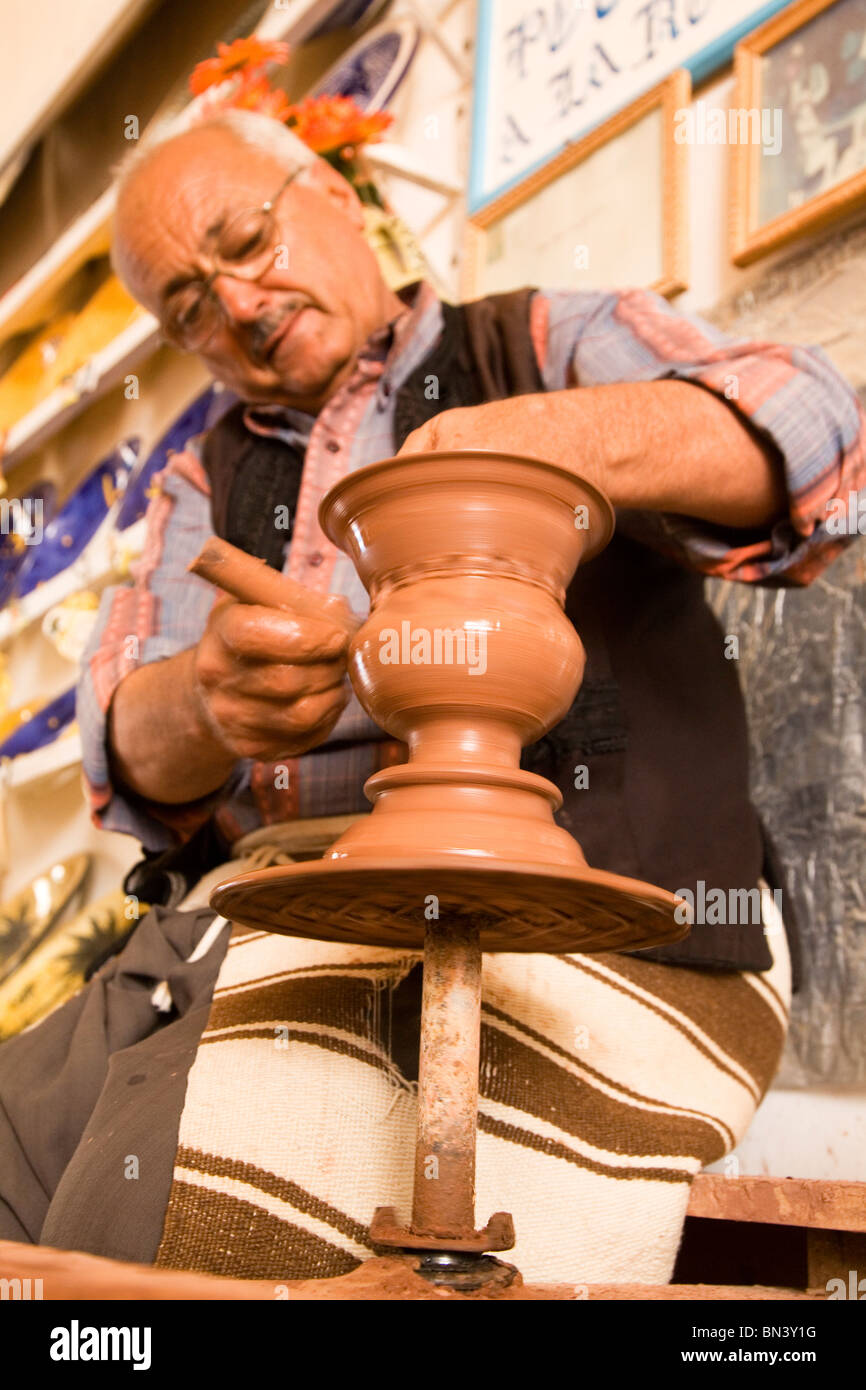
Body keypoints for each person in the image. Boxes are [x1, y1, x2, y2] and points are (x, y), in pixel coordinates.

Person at [1, 109, 864, 1290]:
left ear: (331, 195)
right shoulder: (196, 477)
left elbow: (820, 429)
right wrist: (211, 700)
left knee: (237, 1190)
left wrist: (553, 442)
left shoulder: (540, 336)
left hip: (612, 909)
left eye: (247, 239)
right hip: (260, 911)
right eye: (191, 304)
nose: (241, 304)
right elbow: (123, 758)